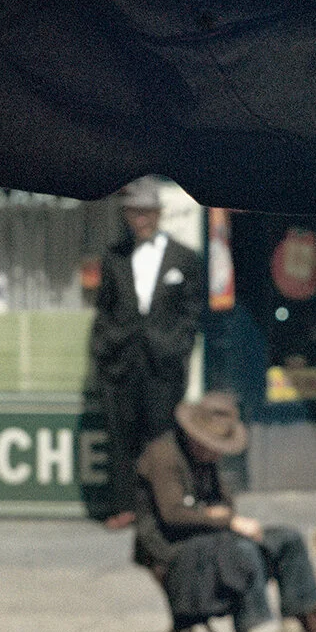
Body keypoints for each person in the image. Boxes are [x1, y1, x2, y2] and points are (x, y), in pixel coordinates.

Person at [133, 392, 316, 632]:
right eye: (212, 447)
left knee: (286, 539)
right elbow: (173, 514)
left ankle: (292, 631)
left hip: (213, 537)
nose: (217, 454)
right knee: (242, 551)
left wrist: (224, 517)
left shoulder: (206, 459)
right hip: (171, 546)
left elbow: (226, 504)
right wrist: (224, 519)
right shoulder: (163, 456)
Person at [90, 176, 203, 530]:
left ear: (158, 214)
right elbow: (105, 308)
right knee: (121, 434)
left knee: (162, 435)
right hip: (123, 361)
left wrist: (177, 346)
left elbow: (192, 313)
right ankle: (124, 506)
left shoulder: (184, 258)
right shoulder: (114, 257)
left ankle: (164, 504)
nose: (139, 219)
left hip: (163, 364)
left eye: (145, 212)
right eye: (132, 213)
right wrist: (105, 348)